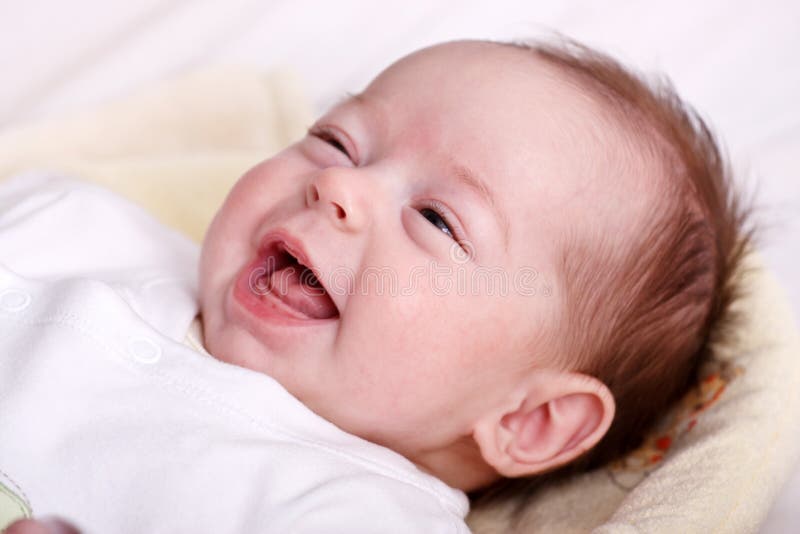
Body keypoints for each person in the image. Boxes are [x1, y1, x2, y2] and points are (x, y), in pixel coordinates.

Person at [0, 37, 748, 533]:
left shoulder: (357, 511)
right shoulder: (80, 226)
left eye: (436, 219)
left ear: (528, 420)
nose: (340, 188)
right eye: (336, 140)